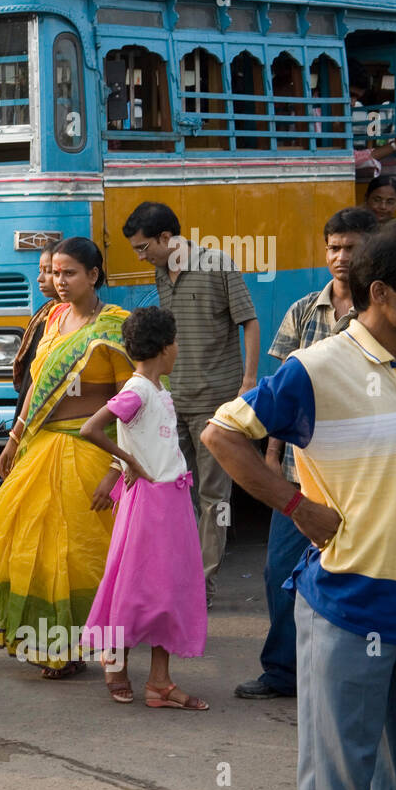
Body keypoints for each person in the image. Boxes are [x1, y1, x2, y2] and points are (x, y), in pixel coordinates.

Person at [203, 220, 396, 790]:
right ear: (381, 293)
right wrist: (296, 505)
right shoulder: (318, 367)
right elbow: (222, 434)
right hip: (350, 604)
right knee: (337, 786)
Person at [236, 206, 381, 700]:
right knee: (281, 570)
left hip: (363, 473)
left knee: (356, 573)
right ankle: (282, 672)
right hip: (301, 473)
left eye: (352, 248)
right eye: (334, 248)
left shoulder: (384, 315)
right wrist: (272, 454)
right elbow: (279, 392)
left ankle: (348, 676)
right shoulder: (303, 310)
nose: (341, 257)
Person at [0, 237, 133, 678]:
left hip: (91, 450)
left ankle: (83, 645)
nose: (59, 281)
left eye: (70, 273)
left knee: (79, 554)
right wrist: (14, 437)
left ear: (93, 276)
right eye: (55, 273)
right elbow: (36, 386)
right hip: (40, 446)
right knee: (23, 540)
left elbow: (132, 400)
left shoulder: (114, 327)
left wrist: (117, 467)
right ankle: (46, 641)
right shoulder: (54, 318)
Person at [123, 201, 259, 608]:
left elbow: (248, 321)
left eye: (144, 247)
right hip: (172, 400)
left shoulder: (218, 263)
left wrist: (248, 381)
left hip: (217, 402)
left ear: (167, 238)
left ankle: (202, 583)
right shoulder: (162, 275)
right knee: (173, 490)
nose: (142, 256)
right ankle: (176, 574)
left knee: (214, 498)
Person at [80, 306, 209, 710]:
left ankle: (160, 682)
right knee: (137, 585)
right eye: (176, 343)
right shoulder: (136, 390)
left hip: (172, 497)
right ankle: (116, 663)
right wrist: (128, 464)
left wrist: (129, 460)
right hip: (149, 502)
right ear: (166, 347)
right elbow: (91, 429)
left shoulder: (157, 390)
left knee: (168, 587)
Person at [13, 244, 61, 420]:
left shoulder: (64, 319)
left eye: (49, 271)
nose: (40, 278)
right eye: (40, 270)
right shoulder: (45, 313)